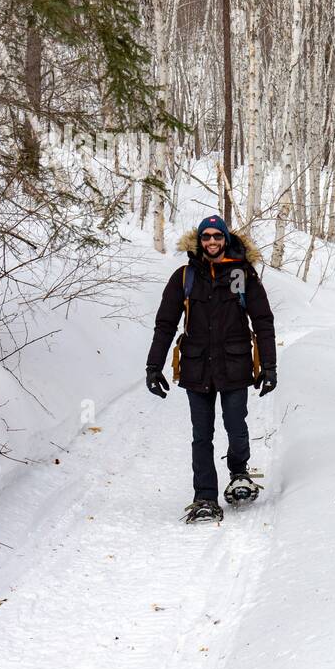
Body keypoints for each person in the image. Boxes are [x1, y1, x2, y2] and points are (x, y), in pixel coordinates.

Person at [145, 214, 278, 523]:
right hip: (196, 367)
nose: (212, 242)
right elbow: (165, 324)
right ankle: (205, 496)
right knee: (201, 435)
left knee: (236, 427)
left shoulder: (241, 275)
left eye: (217, 237)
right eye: (206, 237)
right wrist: (154, 366)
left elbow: (263, 321)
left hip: (235, 365)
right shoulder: (185, 277)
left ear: (225, 239)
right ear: (199, 240)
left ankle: (238, 471)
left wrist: (269, 366)